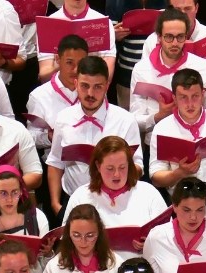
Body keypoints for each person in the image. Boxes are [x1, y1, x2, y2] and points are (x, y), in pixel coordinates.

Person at [47, 59, 142, 212]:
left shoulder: (125, 120)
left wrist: (115, 167)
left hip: (114, 202)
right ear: (76, 83)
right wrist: (55, 204)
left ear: (107, 86)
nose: (90, 94)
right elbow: (55, 162)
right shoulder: (63, 118)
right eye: (85, 86)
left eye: (98, 87)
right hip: (72, 202)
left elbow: (138, 166)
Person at [63, 138, 165, 251]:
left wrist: (150, 243)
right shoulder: (81, 196)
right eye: (110, 169)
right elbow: (66, 240)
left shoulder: (148, 192)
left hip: (141, 263)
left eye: (122, 167)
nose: (117, 174)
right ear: (98, 166)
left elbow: (166, 237)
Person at [149, 68, 206, 188]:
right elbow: (156, 176)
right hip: (181, 199)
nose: (190, 104)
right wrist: (179, 173)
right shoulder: (161, 129)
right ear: (174, 99)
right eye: (183, 97)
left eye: (195, 96)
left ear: (203, 95)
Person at [34, 0, 116, 82]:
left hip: (91, 88)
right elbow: (44, 76)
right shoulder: (48, 24)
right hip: (58, 89)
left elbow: (107, 74)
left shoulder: (104, 23)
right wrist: (64, 61)